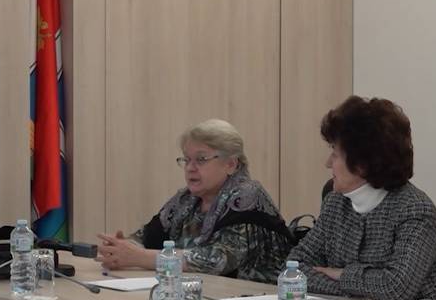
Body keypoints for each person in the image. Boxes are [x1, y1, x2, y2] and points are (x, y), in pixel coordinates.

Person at [287, 96, 436, 300]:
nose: (327, 163)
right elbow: (295, 267)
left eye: (335, 154)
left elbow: (396, 289)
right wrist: (355, 293)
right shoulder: (336, 203)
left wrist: (342, 274)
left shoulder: (416, 211)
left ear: (362, 164)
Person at [97, 119, 291, 283]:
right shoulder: (186, 200)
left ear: (231, 164)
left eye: (201, 159)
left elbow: (216, 261)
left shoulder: (247, 198)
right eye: (186, 160)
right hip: (204, 294)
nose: (190, 168)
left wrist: (138, 257)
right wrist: (121, 248)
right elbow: (148, 236)